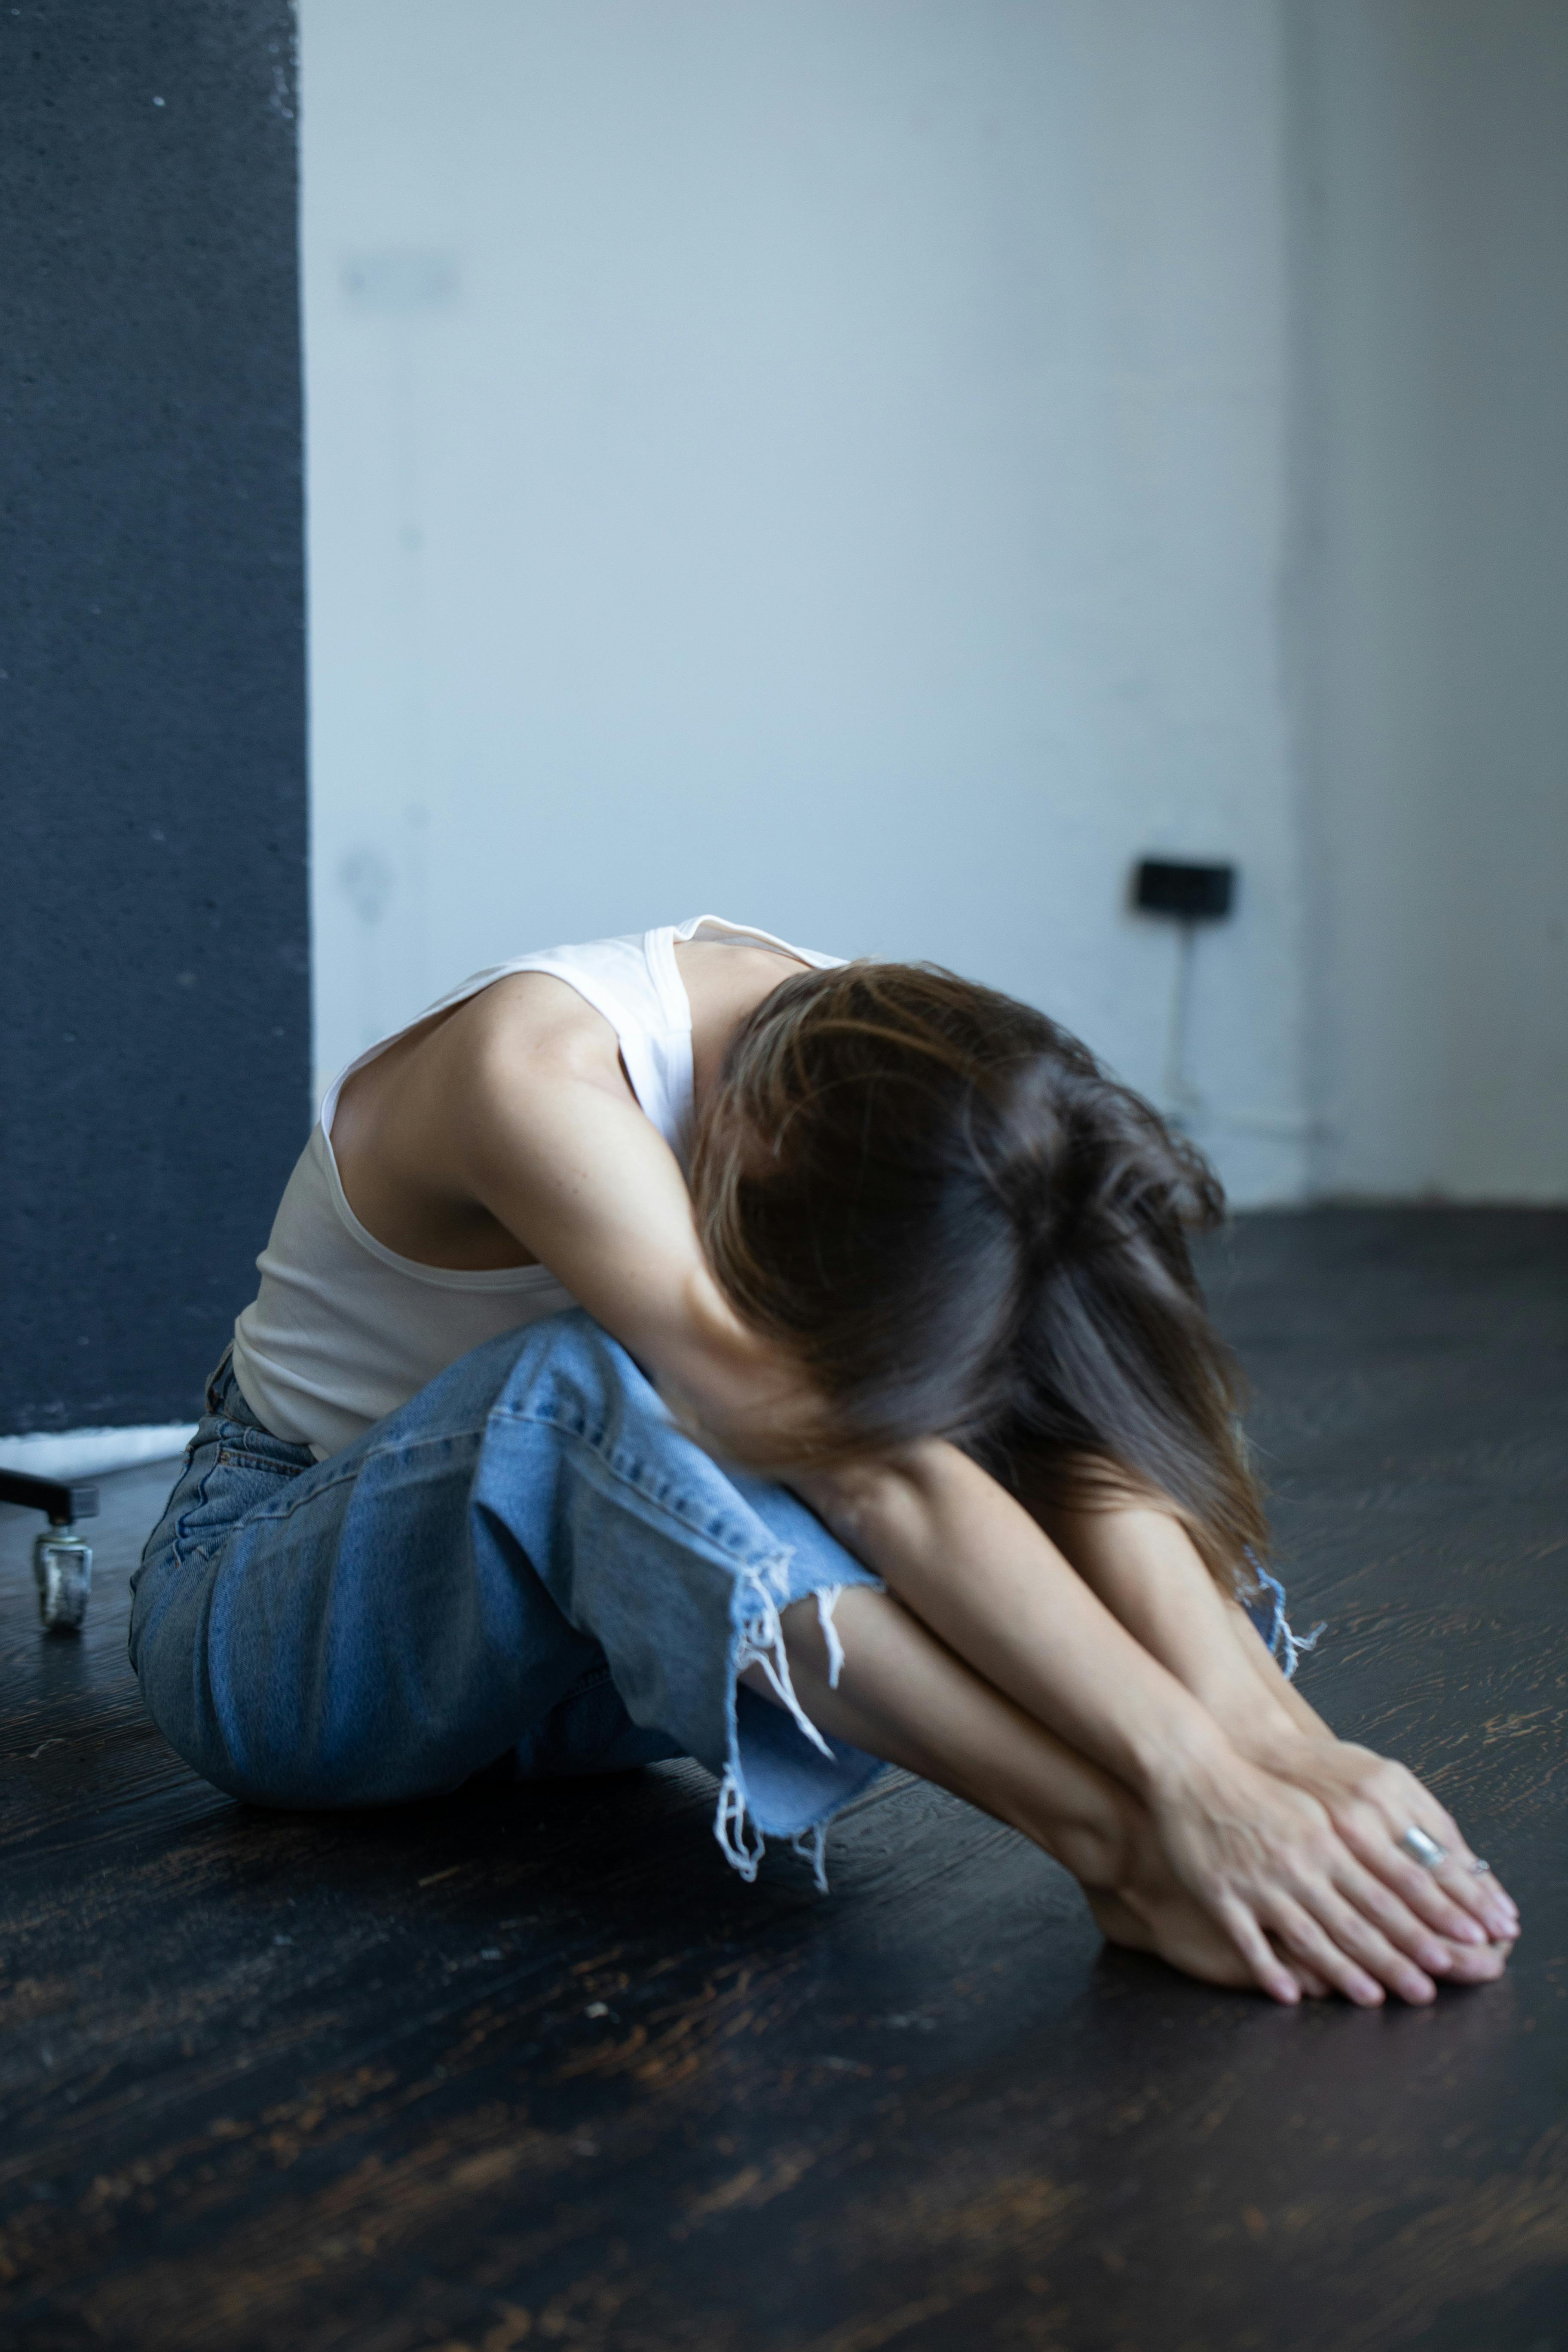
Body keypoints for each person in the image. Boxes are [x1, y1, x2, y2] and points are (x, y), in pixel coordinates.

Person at [130, 915, 1519, 2005]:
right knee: (600, 1385)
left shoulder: (906, 1074)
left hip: (593, 1658)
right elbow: (864, 1470)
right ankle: (1119, 1852)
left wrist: (1283, 1748)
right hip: (285, 1632)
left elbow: (1073, 1434)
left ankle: (1187, 1826)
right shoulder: (537, 1072)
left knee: (1001, 1392)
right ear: (757, 1141)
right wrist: (1180, 1794)